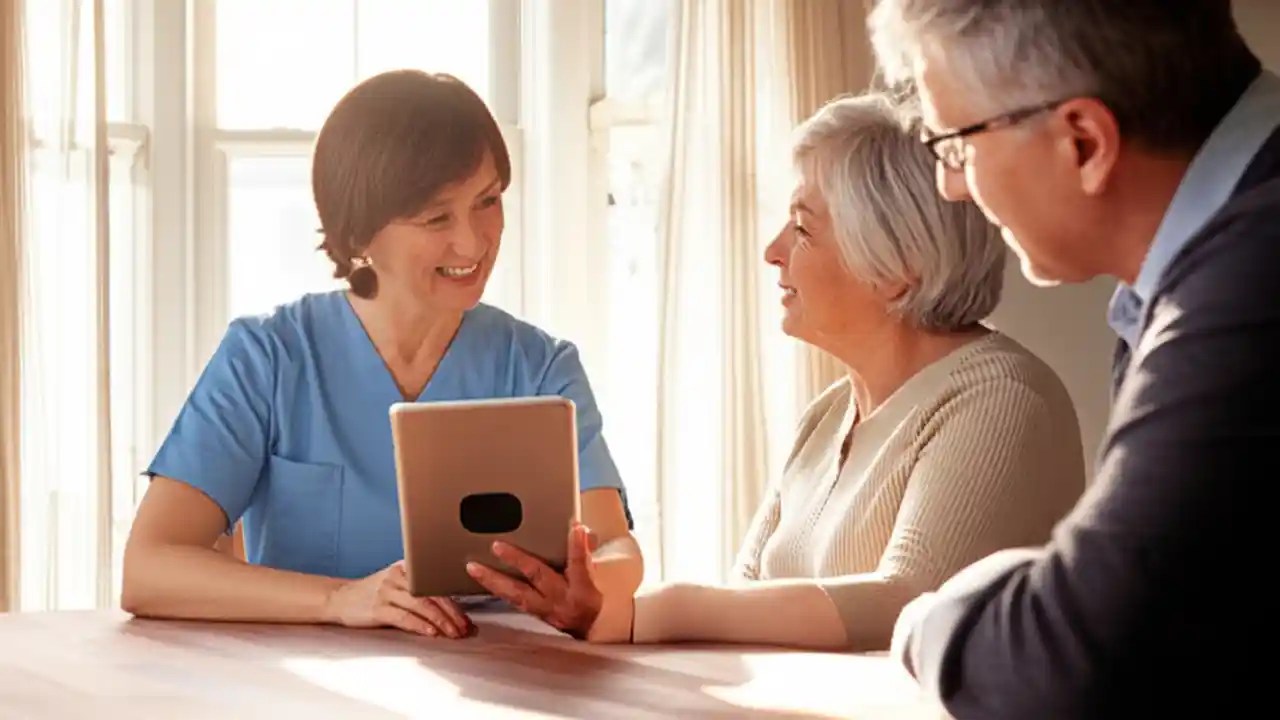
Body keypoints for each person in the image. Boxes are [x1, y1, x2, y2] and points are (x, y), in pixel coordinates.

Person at [467, 92, 1086, 650]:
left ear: (897, 265)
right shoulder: (828, 415)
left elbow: (910, 599)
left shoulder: (1002, 397)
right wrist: (612, 611)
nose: (773, 250)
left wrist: (648, 612)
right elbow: (747, 593)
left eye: (803, 227)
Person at [120, 70, 643, 639]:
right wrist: (341, 599)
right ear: (357, 236)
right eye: (436, 218)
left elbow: (613, 545)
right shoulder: (267, 358)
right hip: (309, 684)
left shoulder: (540, 365)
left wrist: (592, 590)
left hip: (509, 680)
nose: (473, 242)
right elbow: (149, 568)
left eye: (488, 201)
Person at [866, 0, 1280, 716]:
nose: (951, 185)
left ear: (1083, 141)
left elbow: (1062, 668)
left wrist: (926, 618)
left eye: (956, 145)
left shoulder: (1251, 281)